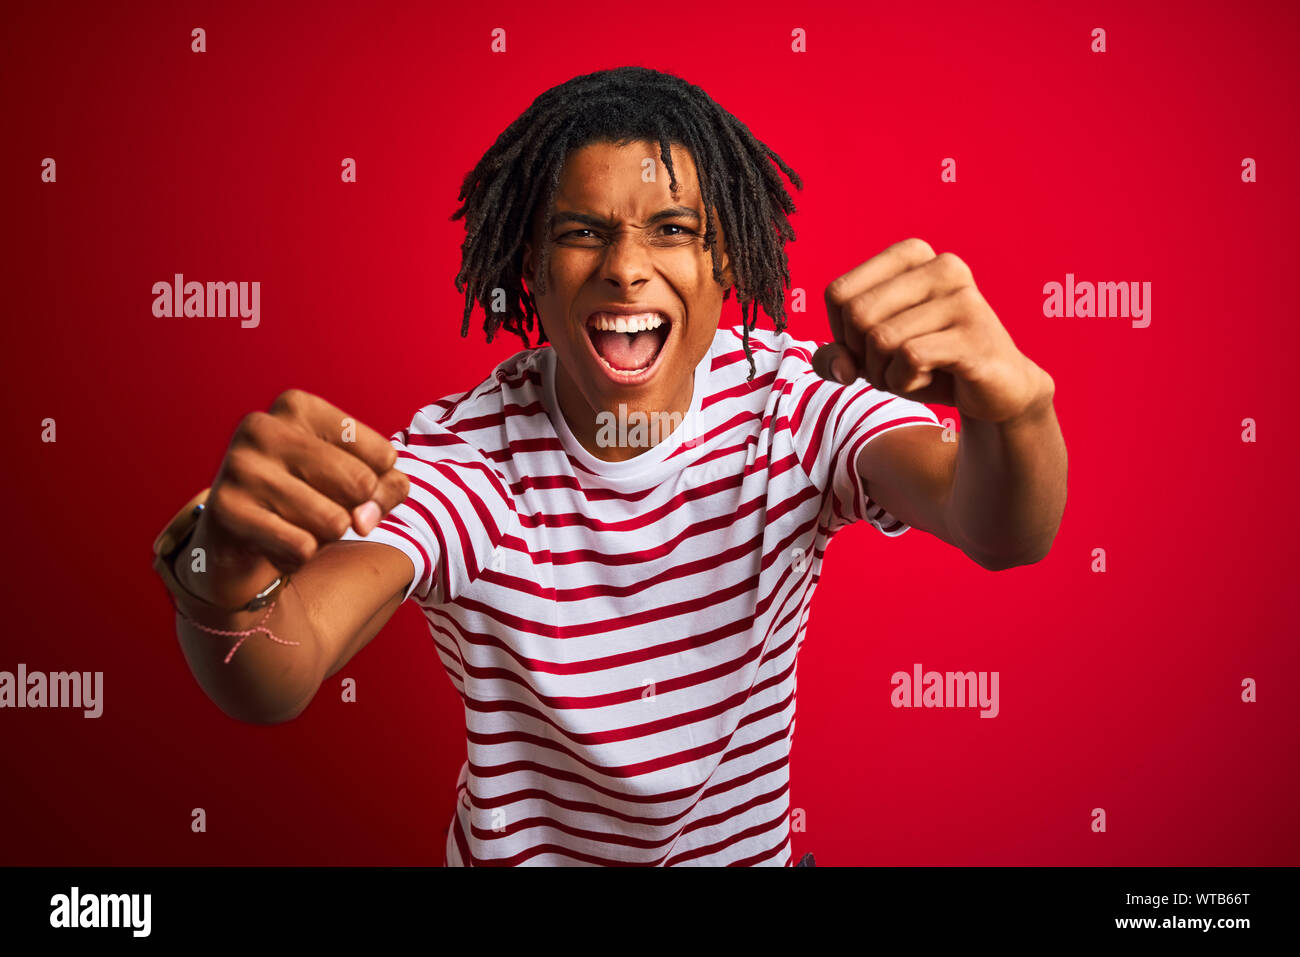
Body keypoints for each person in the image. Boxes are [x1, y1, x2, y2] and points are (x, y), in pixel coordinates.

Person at [151, 66, 1067, 866]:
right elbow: (277, 669)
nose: (627, 269)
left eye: (673, 229)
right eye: (582, 231)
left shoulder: (792, 406)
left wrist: (1016, 408)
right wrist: (219, 571)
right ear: (532, 274)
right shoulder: (471, 460)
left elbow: (1001, 529)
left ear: (725, 269)